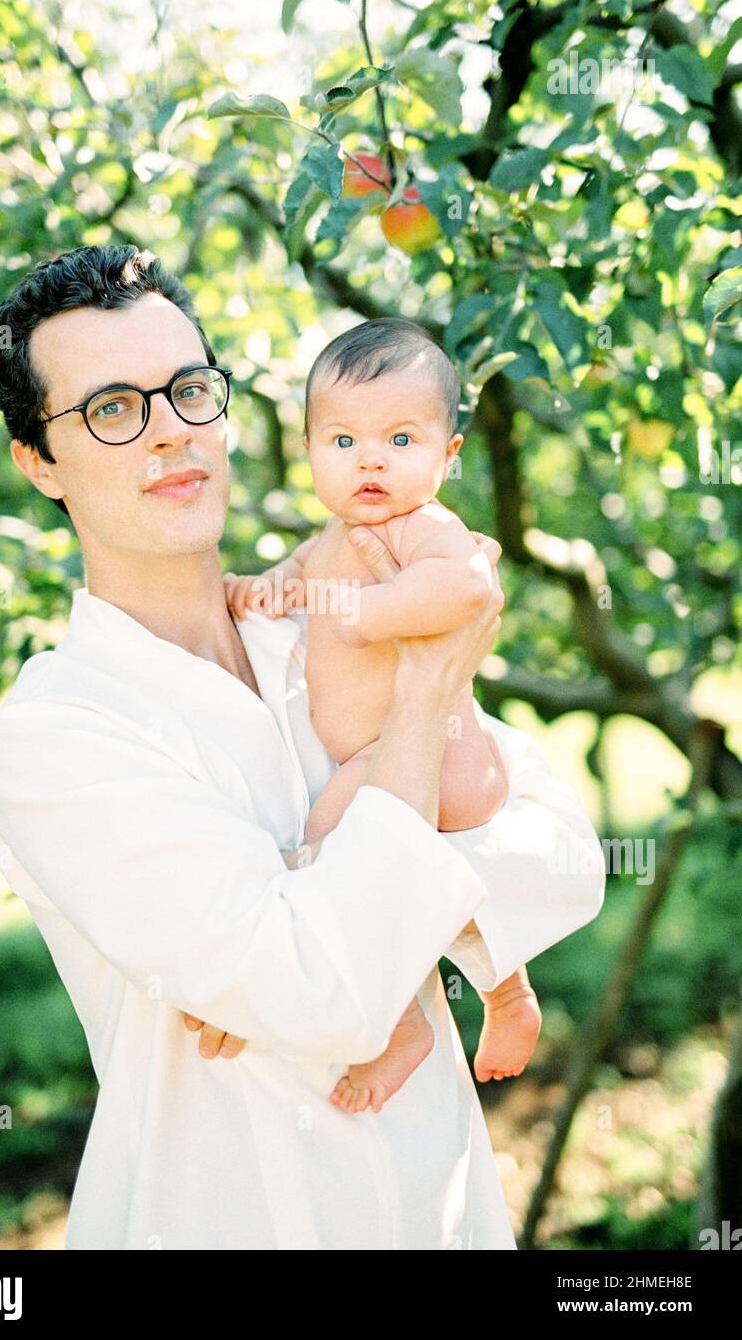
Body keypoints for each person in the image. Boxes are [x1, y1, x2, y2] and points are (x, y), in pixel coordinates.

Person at [0, 243, 605, 1250]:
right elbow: (322, 990)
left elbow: (564, 855)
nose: (171, 433)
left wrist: (318, 914)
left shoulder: (326, 609)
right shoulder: (56, 733)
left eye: (189, 389)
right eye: (110, 408)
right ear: (39, 461)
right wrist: (428, 692)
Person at [223, 318, 541, 1116]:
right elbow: (295, 580)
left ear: (448, 453)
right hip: (385, 754)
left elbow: (467, 587)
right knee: (429, 892)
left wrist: (372, 613)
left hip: (433, 752)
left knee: (334, 858)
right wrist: (262, 587)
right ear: (307, 449)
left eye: (400, 438)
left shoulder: (418, 528)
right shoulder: (335, 536)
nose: (370, 459)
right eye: (342, 440)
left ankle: (401, 1023)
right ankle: (506, 995)